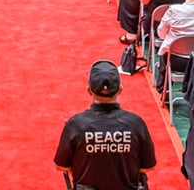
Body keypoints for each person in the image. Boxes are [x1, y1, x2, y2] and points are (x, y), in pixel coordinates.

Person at [54, 60, 155, 190]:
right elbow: (148, 166)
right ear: (120, 90)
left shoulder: (75, 124)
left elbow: (62, 166)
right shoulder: (136, 123)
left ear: (89, 90)